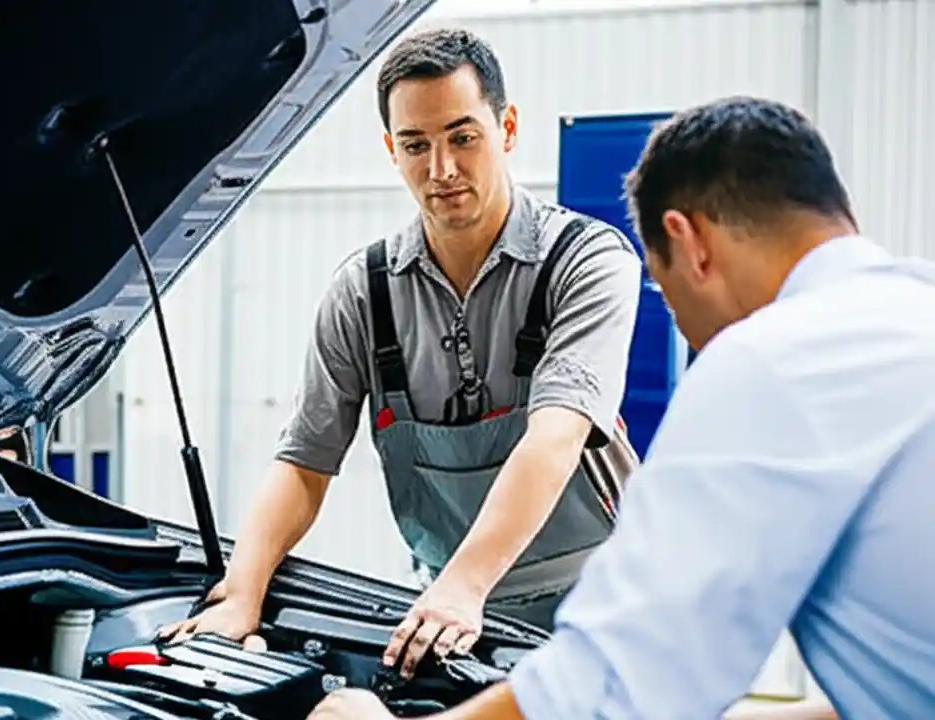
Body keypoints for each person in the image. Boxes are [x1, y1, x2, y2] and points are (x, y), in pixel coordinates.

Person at [307, 95, 935, 719]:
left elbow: (613, 694)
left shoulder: (770, 363)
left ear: (688, 243)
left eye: (662, 289)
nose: (686, 329)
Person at [158, 27, 643, 677]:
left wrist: (465, 587)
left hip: (609, 601)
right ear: (391, 149)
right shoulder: (364, 292)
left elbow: (553, 438)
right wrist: (242, 594)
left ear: (508, 128)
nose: (440, 169)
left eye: (462, 137)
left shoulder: (584, 261)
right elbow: (304, 461)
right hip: (455, 614)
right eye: (416, 145)